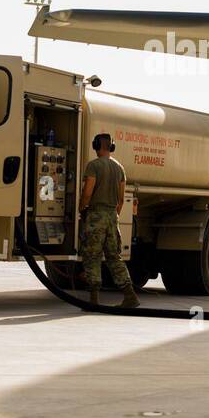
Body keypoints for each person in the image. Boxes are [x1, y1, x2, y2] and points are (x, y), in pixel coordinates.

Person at [79, 132, 140, 308]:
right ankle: (130, 295)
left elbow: (88, 193)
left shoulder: (93, 166)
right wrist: (114, 216)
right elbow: (121, 199)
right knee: (114, 256)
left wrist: (81, 209)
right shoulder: (119, 168)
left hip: (96, 215)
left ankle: (94, 300)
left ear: (96, 145)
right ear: (111, 147)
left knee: (92, 256)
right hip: (113, 216)